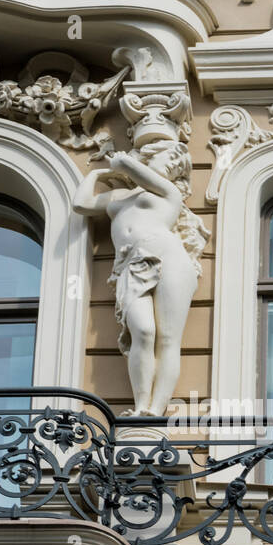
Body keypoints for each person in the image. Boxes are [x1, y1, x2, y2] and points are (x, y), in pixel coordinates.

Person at [73, 142, 204, 417]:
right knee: (143, 332)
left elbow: (131, 168)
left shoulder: (170, 193)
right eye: (168, 159)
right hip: (129, 263)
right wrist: (97, 174)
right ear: (149, 155)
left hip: (170, 259)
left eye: (176, 167)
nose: (172, 167)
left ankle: (154, 411)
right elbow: (81, 204)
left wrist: (124, 163)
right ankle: (141, 404)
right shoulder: (120, 195)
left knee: (168, 338)